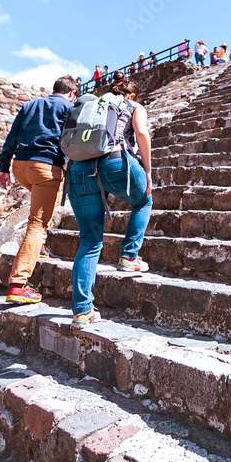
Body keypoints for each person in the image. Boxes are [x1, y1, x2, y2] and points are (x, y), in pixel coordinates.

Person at [65, 71, 153, 326]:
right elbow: (142, 134)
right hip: (114, 162)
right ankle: (129, 256)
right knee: (143, 201)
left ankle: (82, 311)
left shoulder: (90, 104)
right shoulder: (134, 105)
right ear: (131, 95)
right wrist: (147, 172)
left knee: (89, 243)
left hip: (79, 170)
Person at [0, 75, 79, 304]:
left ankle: (38, 247)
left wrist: (4, 168)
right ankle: (17, 285)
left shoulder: (30, 105)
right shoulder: (70, 107)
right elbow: (74, 141)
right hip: (46, 167)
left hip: (20, 167)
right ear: (72, 93)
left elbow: (11, 137)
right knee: (38, 224)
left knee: (38, 212)